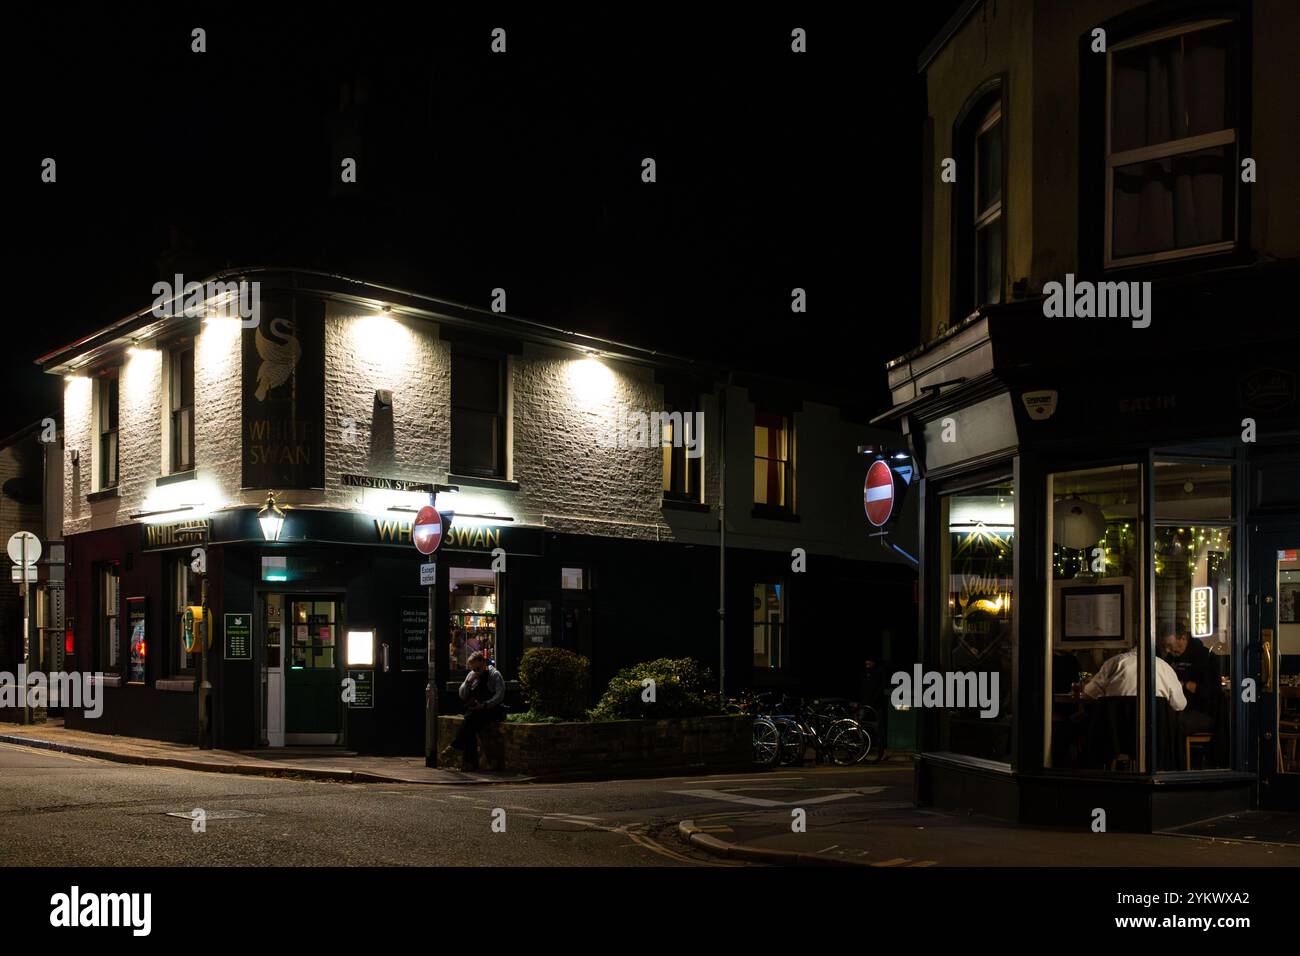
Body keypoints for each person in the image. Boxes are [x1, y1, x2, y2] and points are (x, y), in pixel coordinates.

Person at [446, 651, 505, 772]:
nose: (476, 671)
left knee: (470, 721)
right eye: (473, 669)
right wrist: (468, 682)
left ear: (483, 662)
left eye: (478, 668)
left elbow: (499, 696)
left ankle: (456, 748)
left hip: (491, 710)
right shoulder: (472, 674)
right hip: (476, 711)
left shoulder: (495, 675)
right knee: (470, 729)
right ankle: (471, 764)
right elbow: (462, 695)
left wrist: (484, 705)